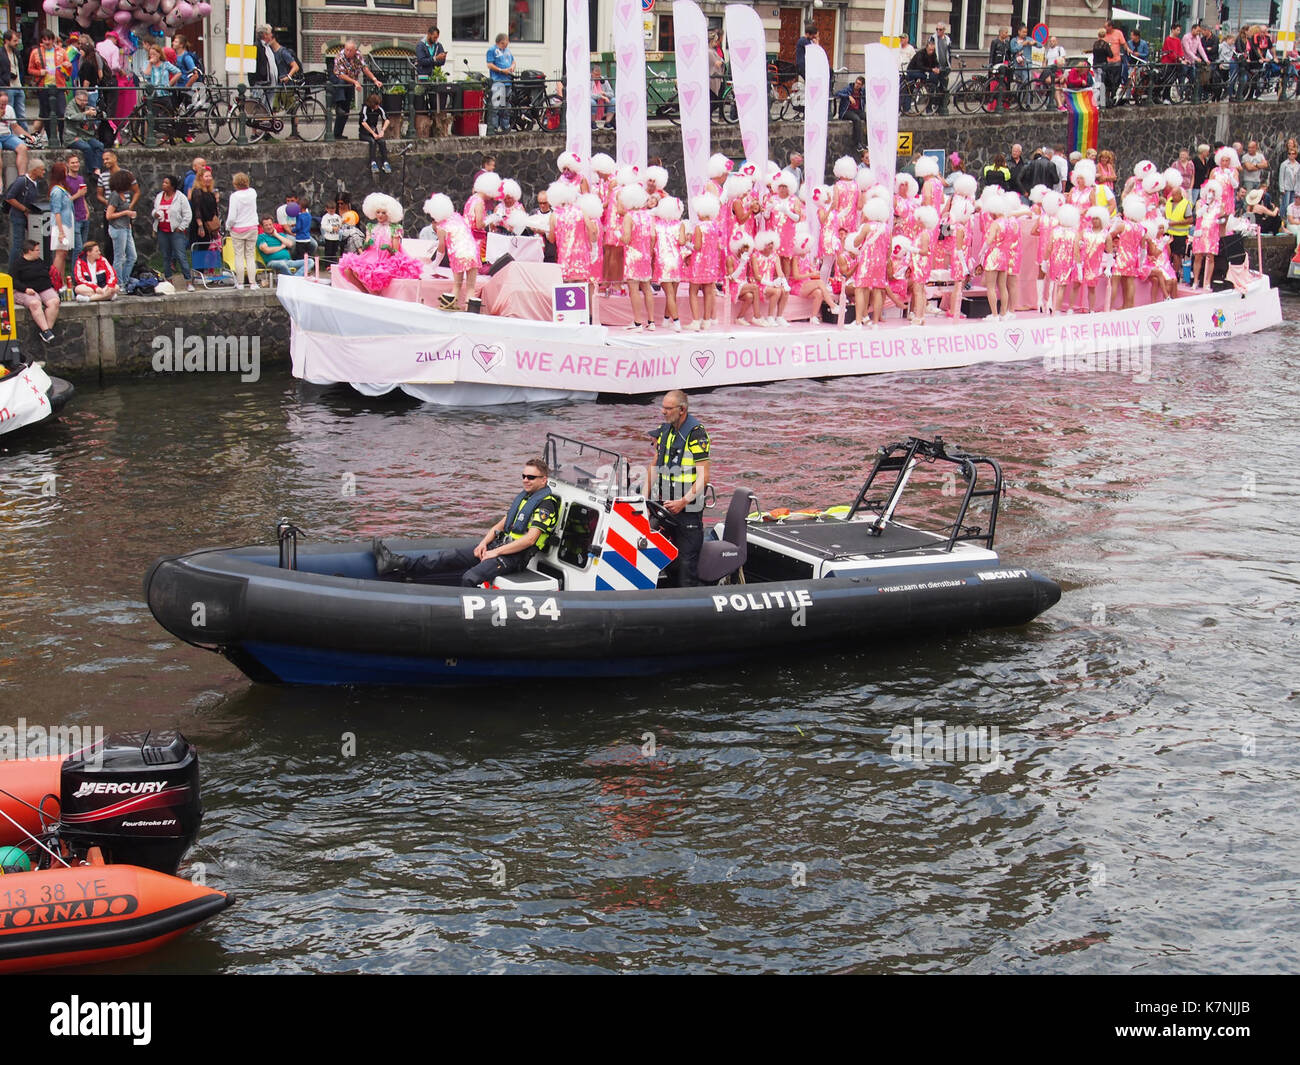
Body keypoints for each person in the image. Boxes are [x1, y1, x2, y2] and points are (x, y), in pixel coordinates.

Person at [372, 458, 560, 587]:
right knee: (448, 556)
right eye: (524, 476)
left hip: (513, 558)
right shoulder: (525, 499)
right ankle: (399, 563)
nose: (525, 480)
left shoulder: (546, 505)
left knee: (470, 577)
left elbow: (530, 540)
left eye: (531, 477)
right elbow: (499, 526)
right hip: (498, 546)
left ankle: (462, 619)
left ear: (544, 480)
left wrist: (495, 551)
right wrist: (483, 543)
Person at [650, 391, 710, 587]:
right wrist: (643, 498)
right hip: (665, 506)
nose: (663, 412)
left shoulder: (696, 433)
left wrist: (683, 501)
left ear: (682, 409)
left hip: (687, 510)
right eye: (663, 407)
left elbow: (704, 476)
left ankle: (691, 604)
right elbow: (654, 465)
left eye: (668, 409)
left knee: (686, 565)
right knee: (661, 556)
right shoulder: (664, 430)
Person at [338, 192, 423, 294]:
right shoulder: (371, 227)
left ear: (389, 214)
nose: (380, 215)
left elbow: (396, 252)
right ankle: (365, 293)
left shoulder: (395, 228)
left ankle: (374, 297)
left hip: (386, 261)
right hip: (369, 258)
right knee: (347, 269)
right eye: (378, 212)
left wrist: (388, 248)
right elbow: (364, 248)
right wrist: (367, 243)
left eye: (383, 212)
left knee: (375, 275)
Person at [331, 39, 382, 140]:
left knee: (346, 110)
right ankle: (338, 104)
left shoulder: (358, 55)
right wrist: (355, 82)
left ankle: (338, 133)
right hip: (339, 79)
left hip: (351, 81)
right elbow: (340, 74)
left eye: (350, 50)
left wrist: (374, 79)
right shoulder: (339, 56)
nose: (348, 52)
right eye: (346, 50)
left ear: (355, 51)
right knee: (341, 87)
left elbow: (365, 68)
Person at [11, 240, 60, 341]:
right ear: (29, 251)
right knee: (35, 303)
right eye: (37, 250)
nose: (39, 252)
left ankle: (47, 330)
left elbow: (46, 275)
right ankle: (45, 330)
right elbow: (13, 281)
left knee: (54, 302)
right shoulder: (17, 264)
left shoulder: (39, 261)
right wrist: (25, 289)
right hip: (25, 290)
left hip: (43, 288)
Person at [28, 30, 70, 147]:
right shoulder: (35, 52)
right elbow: (30, 69)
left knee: (61, 113)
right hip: (43, 86)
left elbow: (68, 70)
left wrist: (67, 66)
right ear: (41, 40)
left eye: (50, 39)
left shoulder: (61, 51)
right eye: (45, 39)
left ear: (53, 40)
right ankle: (51, 139)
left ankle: (62, 139)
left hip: (59, 85)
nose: (47, 42)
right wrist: (39, 72)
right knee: (46, 114)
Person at [153, 174, 193, 288]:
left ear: (172, 186)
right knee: (166, 256)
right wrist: (155, 214)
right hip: (162, 230)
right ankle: (169, 281)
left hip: (176, 232)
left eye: (166, 183)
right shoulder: (159, 196)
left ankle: (188, 281)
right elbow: (155, 209)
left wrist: (181, 227)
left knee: (181, 256)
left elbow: (187, 214)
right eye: (163, 182)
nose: (163, 184)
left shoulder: (180, 197)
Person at [4, 156, 44, 271]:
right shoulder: (22, 181)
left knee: (31, 242)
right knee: (18, 244)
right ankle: (13, 271)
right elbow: (9, 197)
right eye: (41, 169)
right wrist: (24, 209)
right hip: (18, 216)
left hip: (29, 217)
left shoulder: (35, 183)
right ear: (35, 170)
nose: (43, 172)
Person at [105, 167, 139, 292]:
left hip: (126, 228)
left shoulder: (123, 195)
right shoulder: (115, 196)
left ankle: (124, 280)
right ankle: (119, 283)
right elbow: (109, 215)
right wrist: (125, 212)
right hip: (118, 229)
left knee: (132, 257)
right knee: (119, 257)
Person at [225, 171, 260, 289]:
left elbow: (232, 216)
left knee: (238, 255)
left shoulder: (234, 197)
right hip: (252, 227)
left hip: (238, 228)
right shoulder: (253, 193)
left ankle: (240, 283)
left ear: (235, 184)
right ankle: (253, 283)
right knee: (250, 255)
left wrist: (228, 226)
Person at [64, 90, 103, 176]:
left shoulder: (87, 106)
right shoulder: (70, 107)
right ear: (76, 99)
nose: (84, 103)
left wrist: (97, 113)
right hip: (73, 137)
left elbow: (102, 114)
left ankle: (97, 168)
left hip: (86, 136)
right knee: (87, 148)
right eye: (82, 100)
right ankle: (90, 171)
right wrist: (86, 113)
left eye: (86, 101)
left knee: (99, 146)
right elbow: (71, 117)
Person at [48, 160, 74, 283]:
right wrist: (61, 232)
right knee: (59, 253)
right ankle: (54, 281)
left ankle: (61, 281)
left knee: (63, 254)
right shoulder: (57, 191)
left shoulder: (63, 188)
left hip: (67, 223)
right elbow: (56, 211)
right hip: (61, 225)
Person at [486, 33, 515, 134]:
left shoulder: (507, 51)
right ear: (500, 42)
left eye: (507, 44)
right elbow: (489, 64)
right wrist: (501, 70)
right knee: (496, 105)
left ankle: (505, 126)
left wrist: (512, 67)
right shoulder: (492, 50)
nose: (506, 46)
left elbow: (513, 61)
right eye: (504, 44)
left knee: (506, 105)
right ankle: (494, 126)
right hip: (497, 80)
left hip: (508, 81)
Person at [0, 90, 32, 177]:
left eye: (5, 104)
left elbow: (15, 126)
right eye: (1, 104)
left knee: (22, 147)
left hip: (7, 135)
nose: (4, 106)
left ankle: (22, 177)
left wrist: (28, 135)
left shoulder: (9, 109)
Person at [359, 93, 392, 175]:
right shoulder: (365, 108)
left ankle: (385, 162)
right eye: (376, 105)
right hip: (364, 132)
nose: (377, 107)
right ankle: (373, 163)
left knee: (382, 142)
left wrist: (382, 131)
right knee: (372, 142)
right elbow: (363, 122)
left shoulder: (379, 109)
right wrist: (373, 133)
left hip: (375, 131)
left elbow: (387, 119)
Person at [65, 152, 89, 259]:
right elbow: (65, 201)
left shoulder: (80, 179)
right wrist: (77, 194)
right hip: (74, 218)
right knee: (78, 248)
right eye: (73, 163)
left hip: (83, 215)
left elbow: (82, 197)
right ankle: (75, 274)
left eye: (77, 162)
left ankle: (81, 271)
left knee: (84, 248)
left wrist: (87, 211)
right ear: (68, 165)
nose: (75, 164)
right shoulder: (65, 180)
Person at [905, 41, 941, 112]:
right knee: (909, 89)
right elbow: (920, 66)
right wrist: (932, 69)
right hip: (913, 71)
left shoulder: (933, 54)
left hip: (922, 71)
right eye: (930, 50)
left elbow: (936, 63)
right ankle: (907, 108)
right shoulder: (921, 54)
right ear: (926, 48)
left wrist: (937, 68)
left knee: (932, 81)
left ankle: (929, 105)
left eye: (933, 50)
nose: (931, 52)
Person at [836, 76, 866, 151]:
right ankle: (857, 143)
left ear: (862, 85)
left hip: (857, 110)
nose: (857, 85)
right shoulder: (848, 89)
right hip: (846, 111)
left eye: (859, 84)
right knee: (857, 119)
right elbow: (838, 93)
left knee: (867, 117)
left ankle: (868, 140)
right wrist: (848, 96)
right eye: (856, 83)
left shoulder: (862, 91)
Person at [929, 22, 953, 113]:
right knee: (932, 87)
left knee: (943, 87)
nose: (938, 31)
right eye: (937, 29)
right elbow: (929, 52)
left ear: (944, 30)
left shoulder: (947, 39)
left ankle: (941, 108)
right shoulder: (932, 38)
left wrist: (949, 65)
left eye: (940, 29)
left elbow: (949, 54)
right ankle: (929, 108)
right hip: (935, 67)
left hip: (944, 67)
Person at [1279, 144, 1299, 216]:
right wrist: (1282, 188)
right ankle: (1282, 218)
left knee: (1292, 205)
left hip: (1295, 188)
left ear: (1295, 155)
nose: (1291, 155)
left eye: (1293, 154)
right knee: (1285, 204)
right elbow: (1281, 176)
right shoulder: (1284, 164)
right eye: (1289, 154)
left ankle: (1289, 219)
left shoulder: (1298, 165)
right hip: (1286, 187)